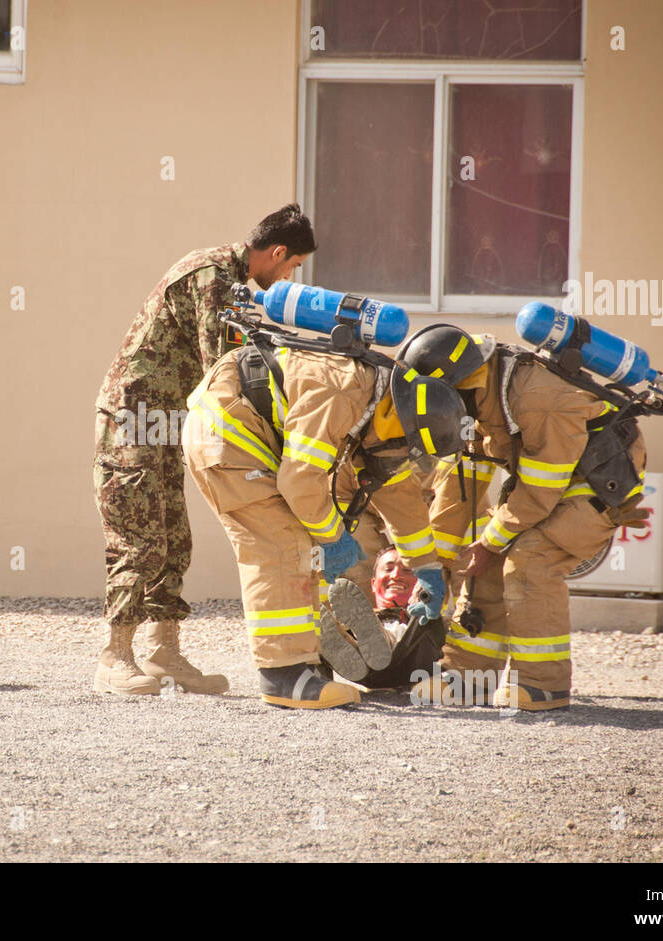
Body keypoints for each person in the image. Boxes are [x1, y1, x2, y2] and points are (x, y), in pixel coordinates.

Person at [92, 205, 316, 696]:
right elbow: (223, 366)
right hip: (134, 419)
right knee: (139, 537)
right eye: (292, 266)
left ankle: (162, 652)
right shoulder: (213, 274)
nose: (288, 277)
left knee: (173, 536)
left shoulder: (232, 281)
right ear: (277, 253)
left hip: (168, 420)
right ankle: (115, 656)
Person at [182, 340, 466, 709]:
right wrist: (333, 538)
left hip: (252, 432)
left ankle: (310, 663)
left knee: (304, 547)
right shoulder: (343, 393)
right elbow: (300, 481)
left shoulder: (386, 409)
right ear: (405, 422)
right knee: (281, 546)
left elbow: (398, 496)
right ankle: (283, 676)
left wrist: (426, 565)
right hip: (229, 434)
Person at [395, 325, 648, 710]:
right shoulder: (478, 395)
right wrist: (435, 564)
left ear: (458, 384)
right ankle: (467, 677)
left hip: (597, 479)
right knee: (481, 562)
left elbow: (543, 489)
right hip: (542, 477)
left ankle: (542, 684)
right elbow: (462, 483)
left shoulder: (537, 399)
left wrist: (490, 542)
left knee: (530, 559)